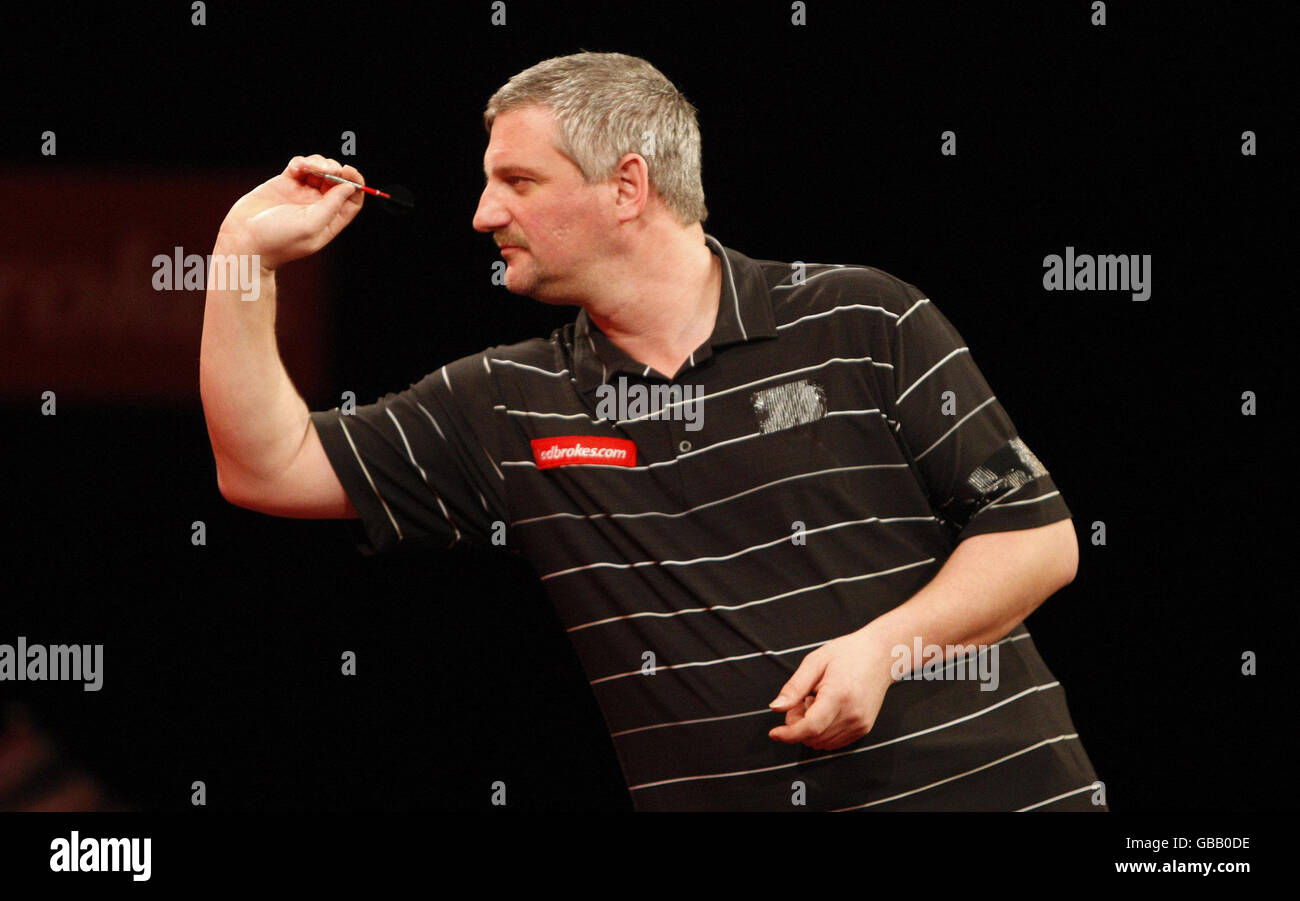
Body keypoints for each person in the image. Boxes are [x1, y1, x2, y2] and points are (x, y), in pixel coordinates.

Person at [200, 51, 1106, 811]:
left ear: (627, 186)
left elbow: (1038, 541)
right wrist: (241, 255)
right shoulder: (510, 402)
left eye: (517, 181)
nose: (483, 215)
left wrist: (886, 648)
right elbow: (265, 466)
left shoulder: (864, 317)